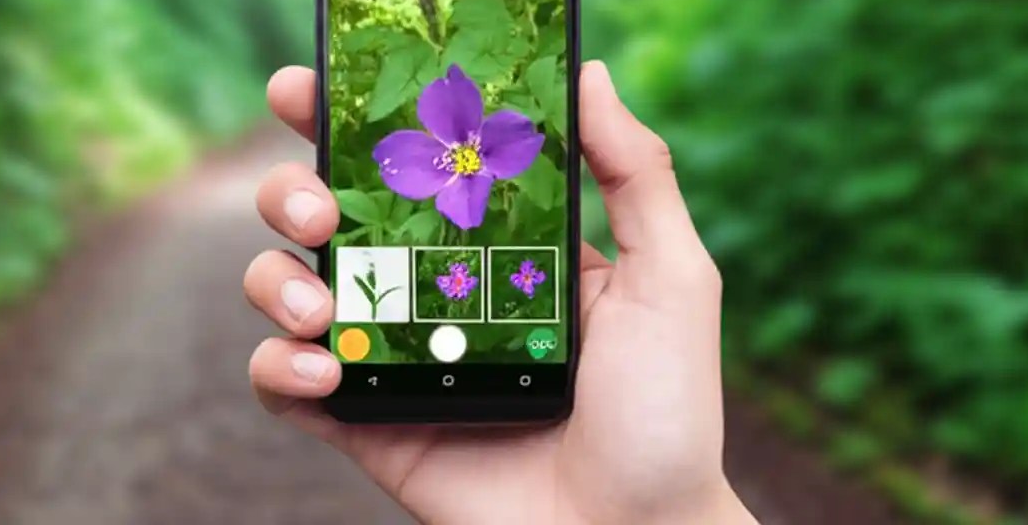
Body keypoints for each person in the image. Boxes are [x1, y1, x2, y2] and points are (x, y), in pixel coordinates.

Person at [244, 62, 759, 524]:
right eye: (461, 155)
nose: (463, 159)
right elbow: (417, 174)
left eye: (467, 154)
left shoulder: (496, 156)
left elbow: (474, 195)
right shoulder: (442, 169)